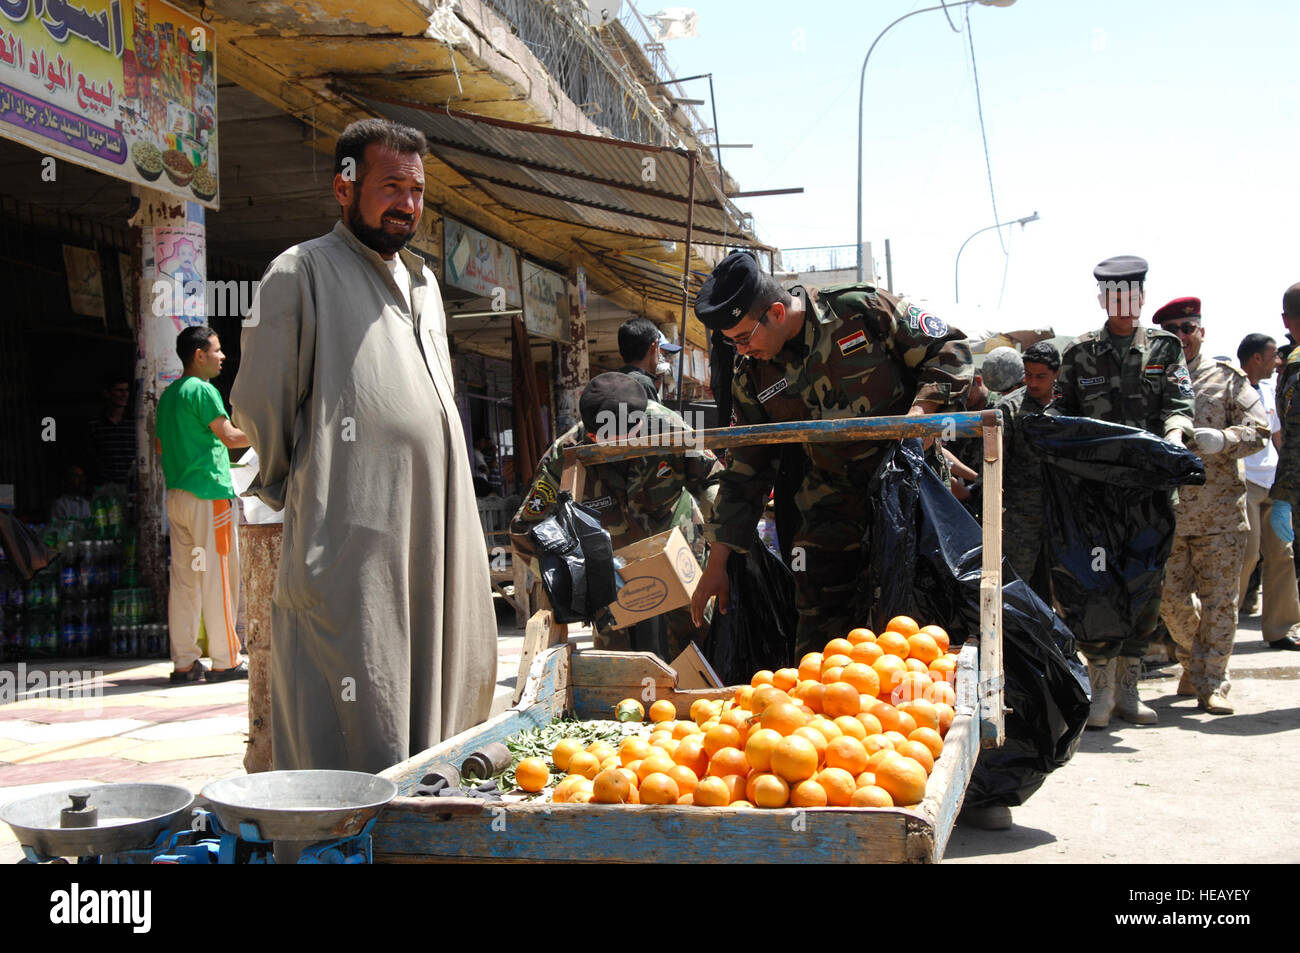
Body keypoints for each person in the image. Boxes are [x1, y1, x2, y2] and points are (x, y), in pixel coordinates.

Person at [231, 118, 497, 773]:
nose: (406, 202)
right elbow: (260, 403)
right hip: (351, 536)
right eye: (390, 186)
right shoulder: (300, 273)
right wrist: (320, 484)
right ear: (344, 188)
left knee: (444, 688)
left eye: (416, 189)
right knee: (358, 701)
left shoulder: (428, 287)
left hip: (437, 531)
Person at [687, 250, 972, 656]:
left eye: (744, 338)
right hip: (829, 512)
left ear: (777, 313)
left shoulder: (861, 310)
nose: (741, 351)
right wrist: (717, 563)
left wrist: (919, 416)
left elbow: (950, 351)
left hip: (909, 499)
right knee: (820, 645)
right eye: (731, 344)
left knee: (915, 630)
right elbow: (747, 469)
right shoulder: (751, 375)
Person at [1053, 255, 1195, 728]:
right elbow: (1062, 416)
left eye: (1130, 295)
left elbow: (1180, 402)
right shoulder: (1079, 354)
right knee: (1096, 589)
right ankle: (1101, 690)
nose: (1123, 305)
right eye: (1114, 296)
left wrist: (1176, 433)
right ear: (1102, 299)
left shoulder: (1165, 348)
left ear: (1140, 297)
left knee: (1144, 587)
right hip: (1096, 499)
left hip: (1149, 495)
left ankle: (1129, 689)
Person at [510, 372, 720, 657]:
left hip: (677, 554)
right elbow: (526, 530)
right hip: (611, 575)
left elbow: (713, 483)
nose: (622, 451)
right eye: (611, 444)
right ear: (592, 435)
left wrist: (721, 553)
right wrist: (577, 581)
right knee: (618, 663)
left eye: (631, 441)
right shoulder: (567, 453)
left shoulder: (671, 428)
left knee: (696, 647)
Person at [1153, 298, 1269, 714]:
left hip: (1219, 513)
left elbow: (1260, 430)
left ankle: (1212, 682)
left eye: (1188, 327)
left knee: (1220, 600)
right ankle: (1194, 659)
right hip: (1170, 513)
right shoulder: (1155, 381)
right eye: (1173, 331)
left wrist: (1225, 441)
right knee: (1169, 600)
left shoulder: (1226, 379)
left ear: (1201, 330)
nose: (1182, 337)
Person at [155, 326, 249, 684]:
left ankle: (184, 663)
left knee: (184, 582)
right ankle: (225, 661)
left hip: (177, 497)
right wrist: (274, 432)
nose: (222, 356)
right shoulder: (203, 390)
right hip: (209, 496)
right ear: (199, 354)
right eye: (217, 350)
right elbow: (230, 437)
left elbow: (162, 447)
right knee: (220, 579)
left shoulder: (169, 395)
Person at [1236, 333, 1300, 650]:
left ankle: (1280, 628)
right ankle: (1220, 625)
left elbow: (1279, 437)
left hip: (1273, 482)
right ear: (1256, 358)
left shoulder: (1271, 391)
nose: (1278, 362)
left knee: (1282, 554)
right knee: (1245, 556)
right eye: (1273, 355)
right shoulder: (1232, 390)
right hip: (1244, 482)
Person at [993, 342, 1058, 602]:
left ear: (1056, 374)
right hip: (1021, 514)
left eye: (1040, 376)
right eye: (1028, 375)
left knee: (1063, 582)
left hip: (1062, 512)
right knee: (1015, 583)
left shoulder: (1069, 404)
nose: (1032, 382)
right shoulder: (1008, 408)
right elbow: (995, 463)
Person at [87, 374, 136, 489]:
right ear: (107, 393)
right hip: (106, 489)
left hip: (133, 487)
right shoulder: (95, 424)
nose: (124, 394)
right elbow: (92, 457)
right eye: (119, 390)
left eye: (126, 390)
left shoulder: (135, 422)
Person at [617, 317, 681, 402]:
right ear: (654, 347)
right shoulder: (643, 384)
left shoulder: (611, 379)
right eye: (665, 354)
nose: (667, 360)